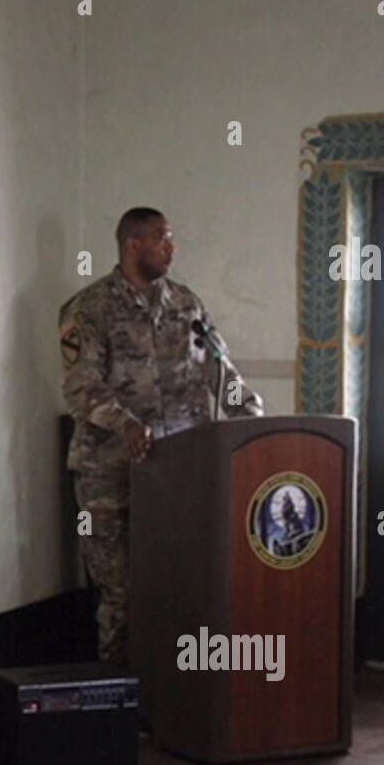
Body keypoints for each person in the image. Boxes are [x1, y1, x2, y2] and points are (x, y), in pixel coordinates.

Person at [59, 207, 263, 666]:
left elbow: (219, 370)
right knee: (122, 591)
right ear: (133, 245)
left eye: (171, 239)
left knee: (182, 582)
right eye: (161, 239)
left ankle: (177, 690)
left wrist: (252, 416)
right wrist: (128, 424)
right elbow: (81, 387)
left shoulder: (186, 305)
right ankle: (121, 689)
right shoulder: (88, 309)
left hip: (180, 469)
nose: (172, 248)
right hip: (111, 471)